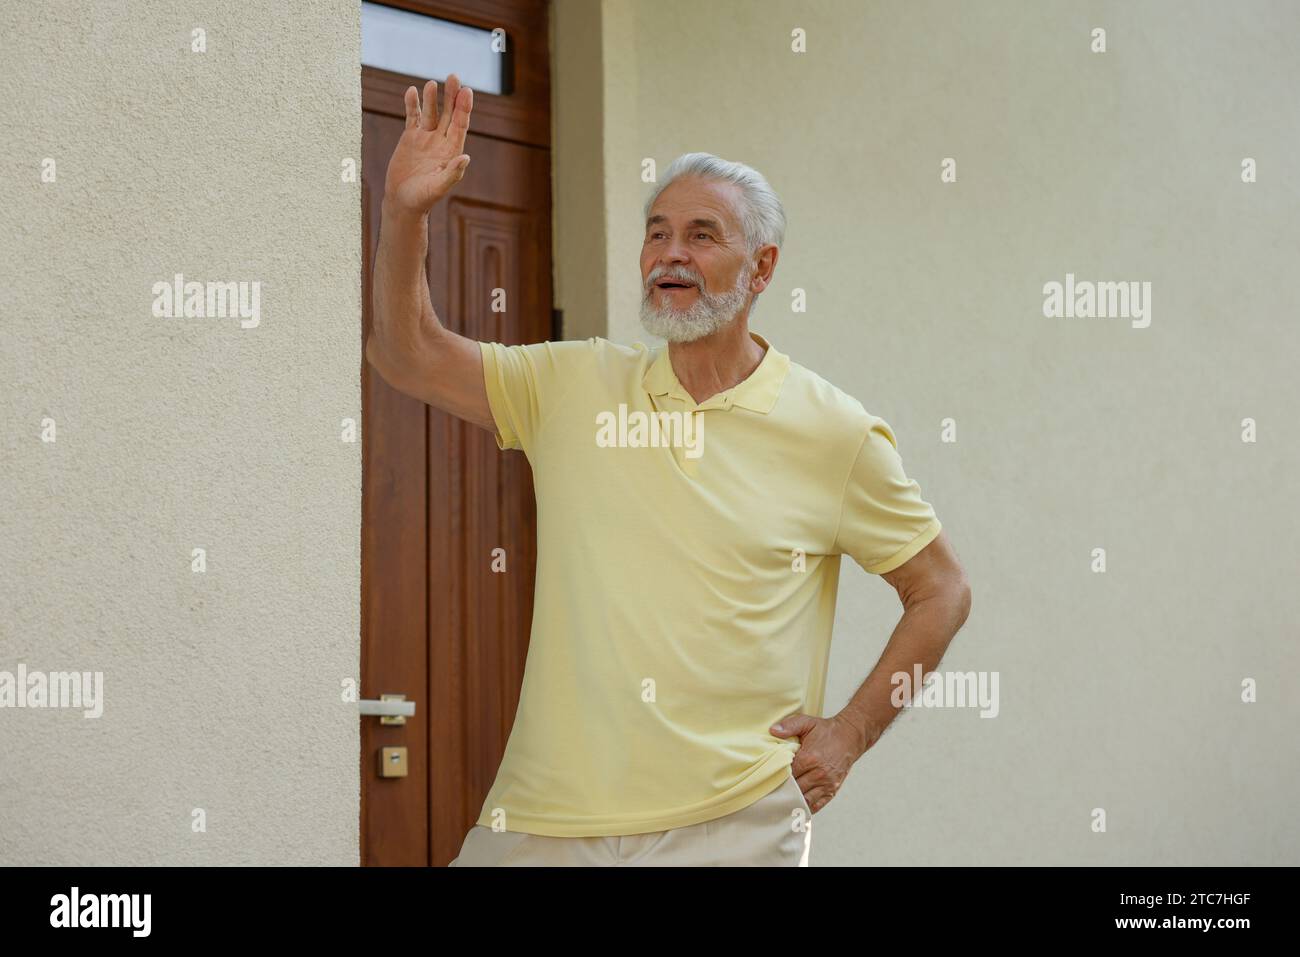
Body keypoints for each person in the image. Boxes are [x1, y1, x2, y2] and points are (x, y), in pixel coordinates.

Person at [367, 74, 972, 867]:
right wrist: (405, 212)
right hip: (546, 813)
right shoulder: (571, 384)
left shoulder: (836, 431)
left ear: (761, 269)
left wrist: (849, 733)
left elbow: (941, 590)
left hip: (733, 819)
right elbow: (406, 354)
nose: (670, 254)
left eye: (701, 234)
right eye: (657, 233)